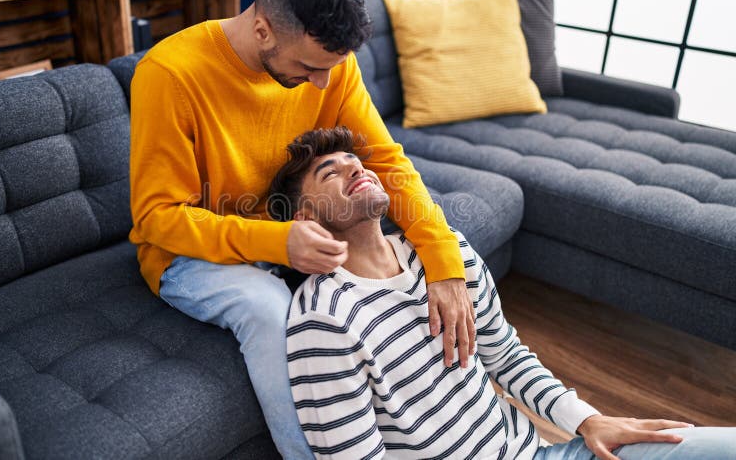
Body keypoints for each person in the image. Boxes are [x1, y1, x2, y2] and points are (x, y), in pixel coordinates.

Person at [128, 0, 475, 459]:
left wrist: (444, 263)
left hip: (297, 229)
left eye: (330, 69)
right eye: (308, 66)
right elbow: (157, 218)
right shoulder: (170, 74)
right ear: (263, 28)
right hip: (189, 254)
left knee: (401, 257)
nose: (319, 83)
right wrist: (276, 240)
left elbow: (387, 160)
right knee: (272, 310)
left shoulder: (331, 68)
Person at [271, 126, 736, 460]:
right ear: (306, 220)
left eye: (355, 161)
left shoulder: (442, 253)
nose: (354, 169)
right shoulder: (323, 319)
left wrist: (588, 419)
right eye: (330, 173)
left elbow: (505, 356)